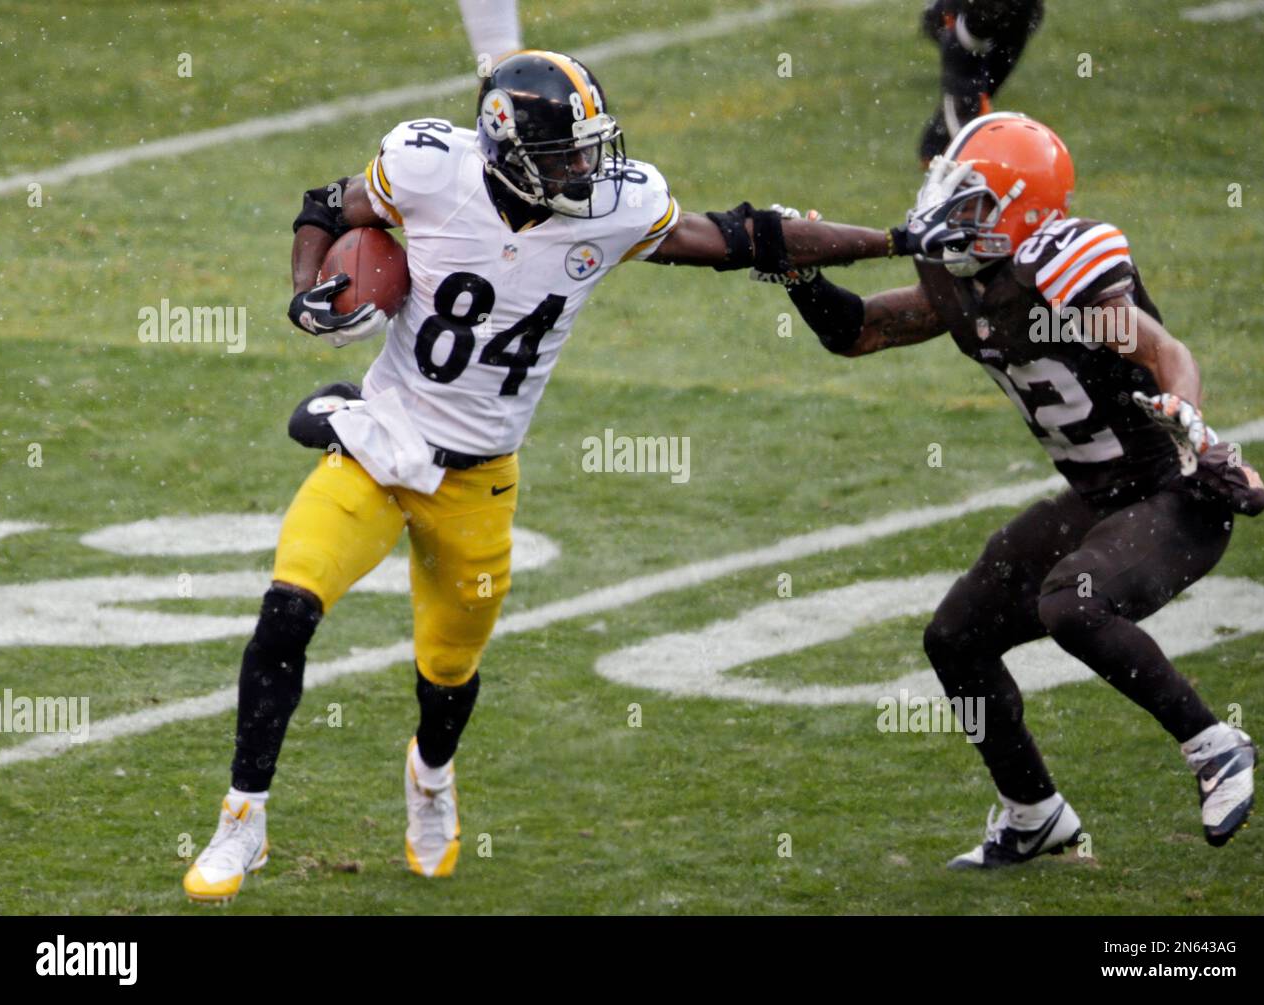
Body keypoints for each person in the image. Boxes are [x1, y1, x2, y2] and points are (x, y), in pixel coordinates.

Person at [183, 49, 893, 902]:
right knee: (287, 609)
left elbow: (748, 236)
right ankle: (243, 818)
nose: (588, 169)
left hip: (481, 478)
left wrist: (893, 239)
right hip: (384, 442)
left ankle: (432, 776)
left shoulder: (613, 209)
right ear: (507, 149)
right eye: (567, 154)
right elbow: (325, 206)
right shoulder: (428, 167)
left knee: (447, 670)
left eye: (592, 149)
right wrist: (310, 292)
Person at [769, 111, 1264, 868]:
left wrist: (1188, 415)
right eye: (946, 192)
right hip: (1099, 499)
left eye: (968, 203)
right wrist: (802, 277)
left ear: (1023, 213)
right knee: (956, 638)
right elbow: (860, 330)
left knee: (1073, 601)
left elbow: (1164, 348)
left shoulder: (1061, 265)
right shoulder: (955, 277)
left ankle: (1215, 744)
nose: (944, 216)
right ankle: (1034, 813)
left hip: (1174, 497)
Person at [917, 0, 1044, 165]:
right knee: (971, 125)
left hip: (1010, 14)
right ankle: (940, 149)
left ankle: (938, 146)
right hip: (975, 18)